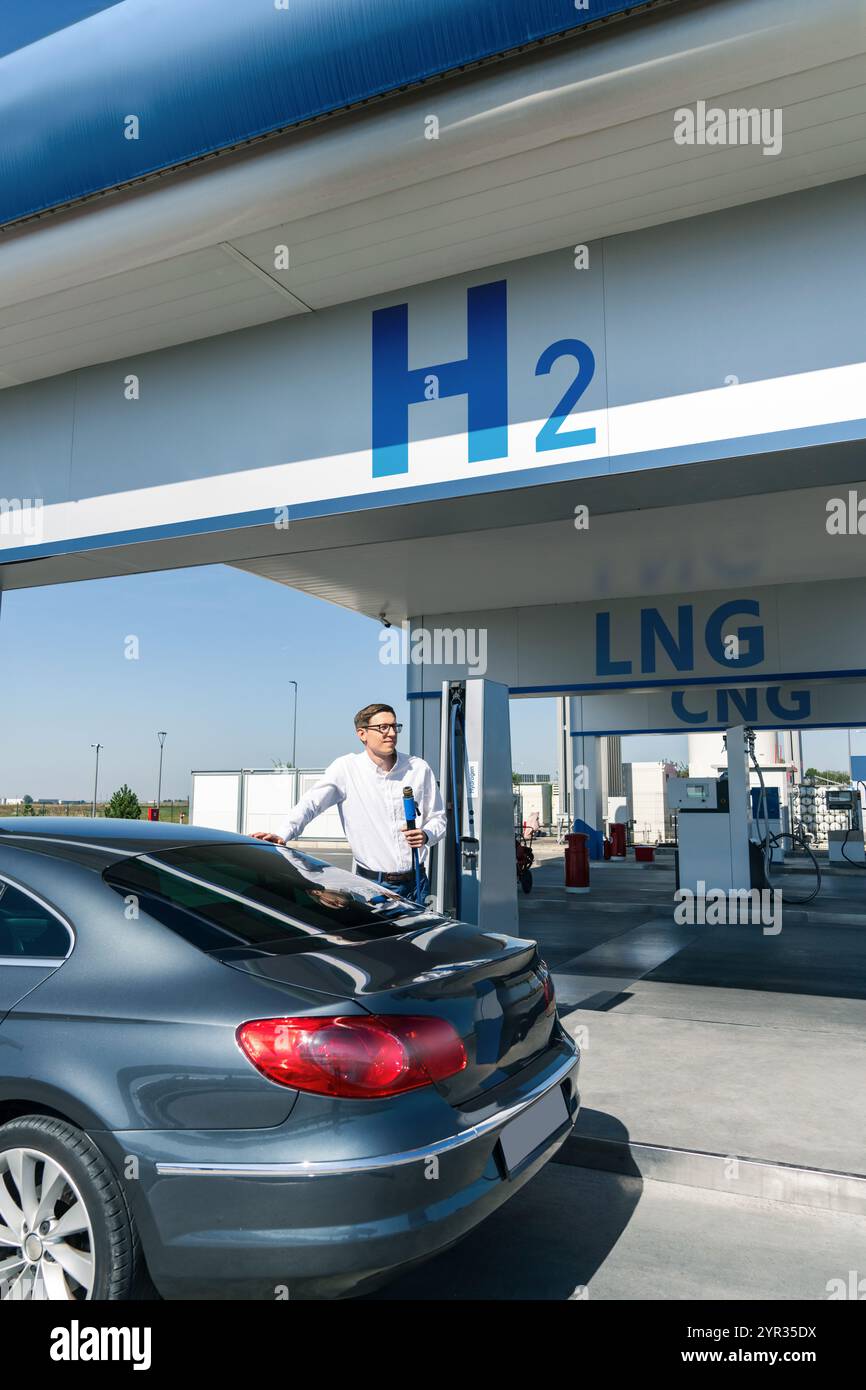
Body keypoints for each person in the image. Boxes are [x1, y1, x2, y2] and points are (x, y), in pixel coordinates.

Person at [251, 702, 446, 905]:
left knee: (419, 936)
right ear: (362, 734)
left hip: (417, 882)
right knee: (375, 936)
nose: (391, 733)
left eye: (394, 726)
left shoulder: (418, 769)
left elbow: (438, 818)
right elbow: (311, 804)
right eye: (382, 727)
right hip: (372, 886)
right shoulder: (347, 769)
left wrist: (426, 834)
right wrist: (283, 834)